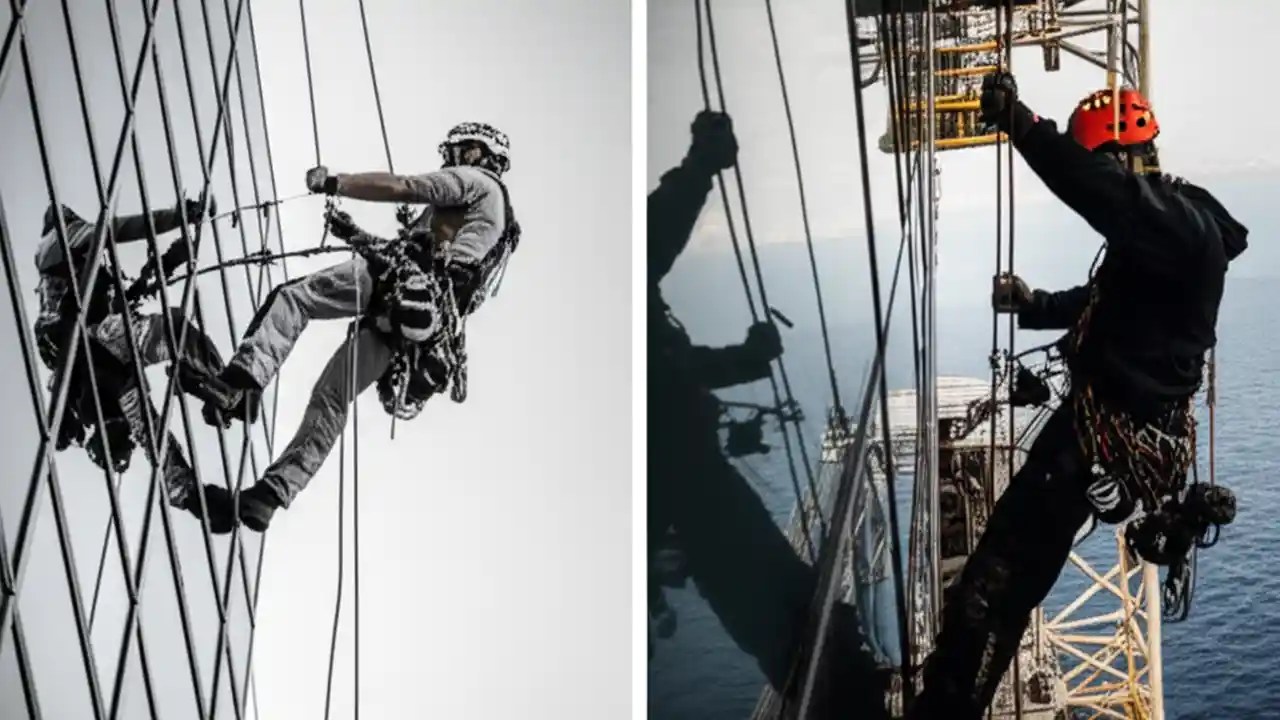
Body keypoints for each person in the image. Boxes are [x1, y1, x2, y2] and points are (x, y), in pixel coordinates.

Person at [909, 73, 1247, 718]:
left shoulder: (1183, 232)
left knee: (993, 590)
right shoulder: (1167, 239)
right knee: (1001, 588)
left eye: (1104, 170)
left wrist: (1024, 126)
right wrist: (1036, 306)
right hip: (1107, 434)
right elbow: (1107, 301)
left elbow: (1101, 195)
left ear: (1121, 160)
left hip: (1101, 441)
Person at [649, 110, 888, 718]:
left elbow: (665, 366)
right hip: (681, 480)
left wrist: (748, 361)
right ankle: (846, 693)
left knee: (788, 615)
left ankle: (841, 688)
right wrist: (701, 166)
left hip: (680, 481)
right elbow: (650, 242)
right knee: (792, 619)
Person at [194, 122, 520, 533]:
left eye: (463, 150)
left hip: (402, 286)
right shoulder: (498, 221)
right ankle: (269, 497)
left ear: (484, 155)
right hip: (416, 327)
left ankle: (240, 382)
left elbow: (405, 186)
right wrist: (353, 232)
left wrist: (335, 182)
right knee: (331, 396)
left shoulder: (475, 183)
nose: (453, 158)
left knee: (295, 297)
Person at [35, 200, 237, 533]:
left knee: (150, 425)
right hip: (96, 342)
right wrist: (177, 216)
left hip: (101, 358)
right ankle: (220, 384)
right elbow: (122, 228)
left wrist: (168, 262)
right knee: (172, 332)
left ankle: (188, 493)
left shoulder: (83, 274)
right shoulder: (60, 239)